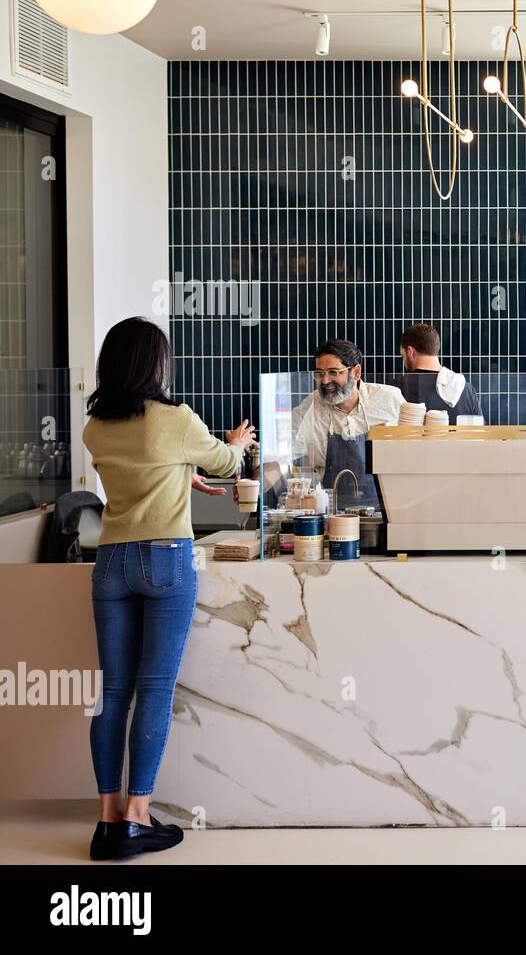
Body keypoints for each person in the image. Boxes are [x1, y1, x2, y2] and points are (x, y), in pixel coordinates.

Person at [81, 317, 257, 860]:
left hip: (111, 561)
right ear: (155, 365)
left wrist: (180, 473)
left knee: (112, 694)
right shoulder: (177, 418)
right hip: (165, 560)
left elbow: (138, 472)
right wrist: (233, 442)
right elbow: (229, 463)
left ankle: (108, 820)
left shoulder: (95, 428)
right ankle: (138, 816)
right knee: (154, 690)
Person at [291, 339, 403, 508]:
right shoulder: (309, 408)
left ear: (356, 372)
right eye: (319, 373)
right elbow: (281, 453)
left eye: (333, 372)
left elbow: (414, 449)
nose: (325, 381)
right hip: (331, 511)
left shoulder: (389, 399)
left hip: (386, 508)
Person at [392, 323, 483, 423]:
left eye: (403, 356)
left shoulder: (397, 388)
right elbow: (480, 433)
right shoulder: (466, 389)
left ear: (410, 352)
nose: (404, 362)